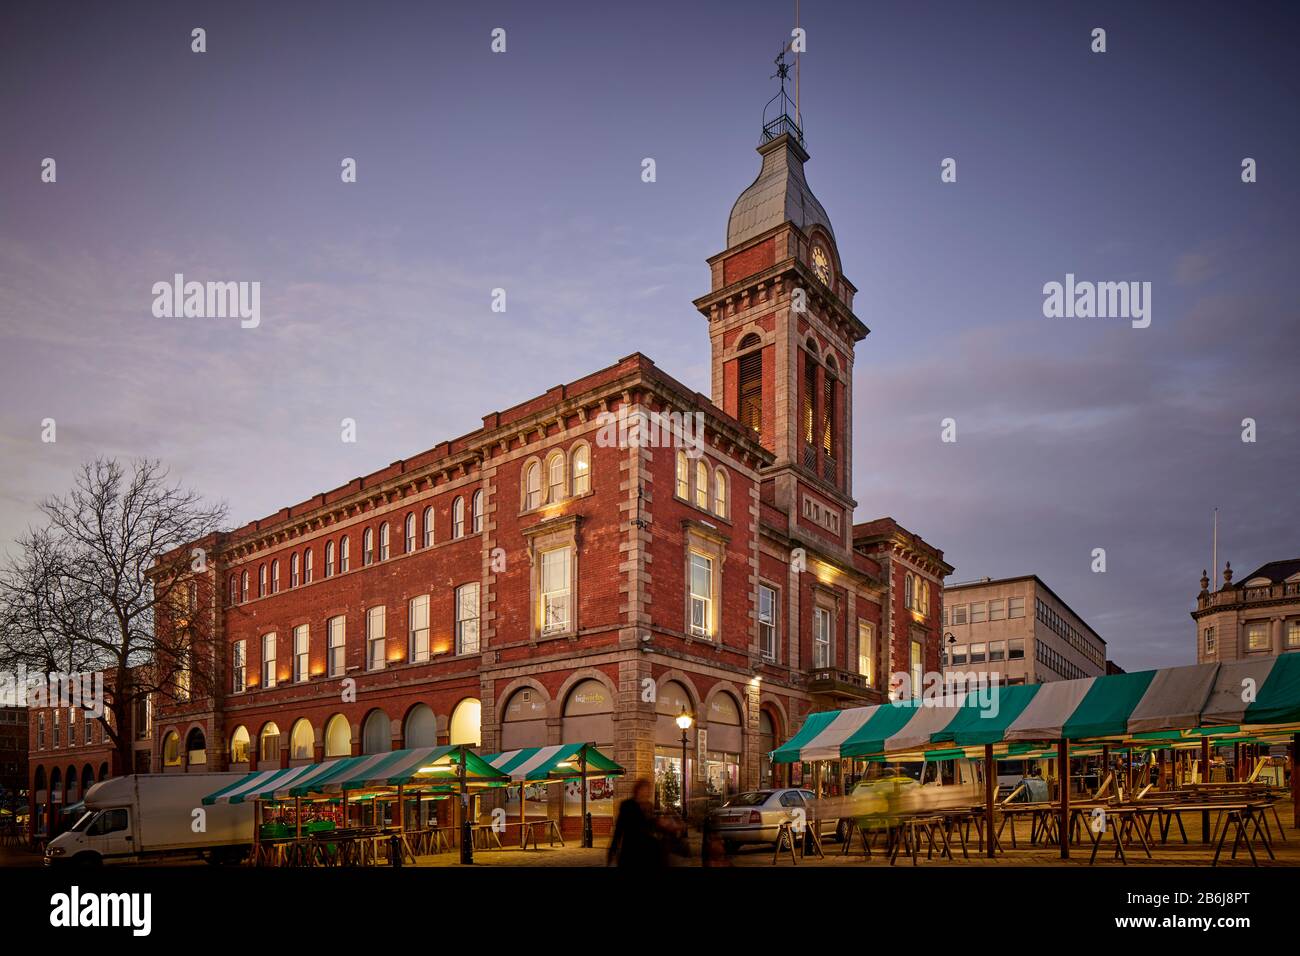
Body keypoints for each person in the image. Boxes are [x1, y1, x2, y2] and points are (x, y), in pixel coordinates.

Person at [607, 778, 667, 867]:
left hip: (646, 851)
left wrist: (660, 824)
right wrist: (612, 849)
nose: (647, 793)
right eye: (644, 789)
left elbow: (650, 827)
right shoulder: (627, 805)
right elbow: (619, 829)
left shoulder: (649, 806)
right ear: (638, 790)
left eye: (648, 790)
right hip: (630, 849)